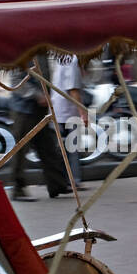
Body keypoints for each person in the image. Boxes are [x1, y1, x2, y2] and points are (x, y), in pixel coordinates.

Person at [8, 56, 70, 201]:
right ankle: (18, 189)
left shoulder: (42, 51)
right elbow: (16, 82)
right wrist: (37, 95)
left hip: (39, 110)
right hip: (25, 110)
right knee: (21, 150)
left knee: (48, 147)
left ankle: (57, 185)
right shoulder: (23, 52)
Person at [51, 53, 88, 190]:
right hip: (68, 111)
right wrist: (82, 112)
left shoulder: (62, 58)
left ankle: (68, 180)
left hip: (60, 109)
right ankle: (74, 181)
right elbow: (73, 89)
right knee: (72, 148)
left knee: (65, 148)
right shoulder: (72, 60)